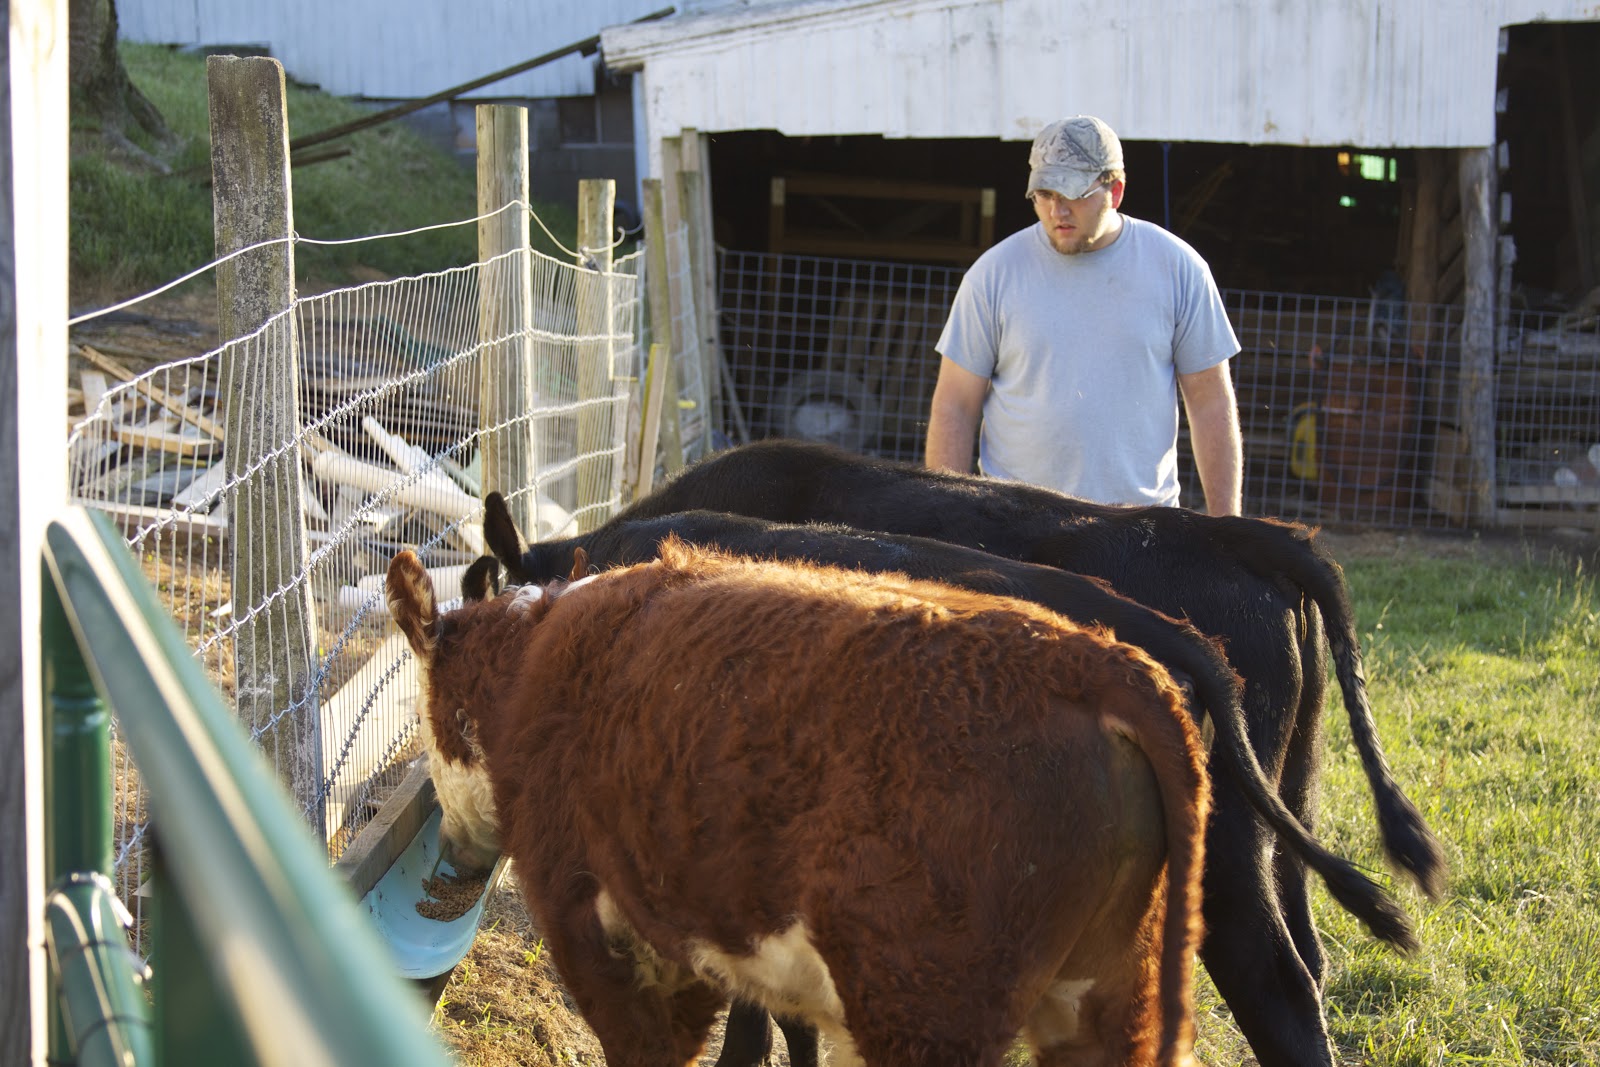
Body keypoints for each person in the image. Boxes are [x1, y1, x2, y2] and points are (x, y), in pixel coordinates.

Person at [925, 115, 1244, 515]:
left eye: (1073, 193)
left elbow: (1210, 401)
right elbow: (954, 406)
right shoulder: (993, 275)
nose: (1057, 210)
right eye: (1044, 193)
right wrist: (941, 525)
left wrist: (1227, 527)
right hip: (1015, 531)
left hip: (1140, 531)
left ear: (1116, 190)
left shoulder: (1178, 269)